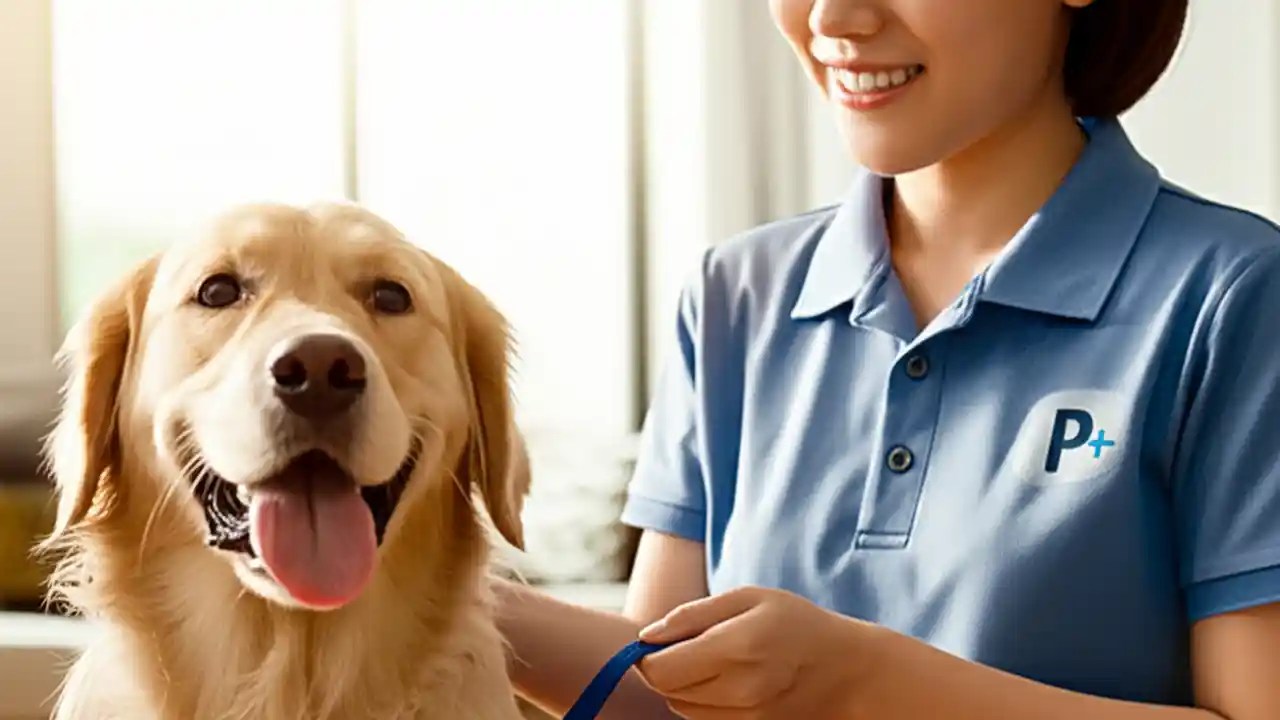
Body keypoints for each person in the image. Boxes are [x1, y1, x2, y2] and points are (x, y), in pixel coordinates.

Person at [495, 1, 1280, 717]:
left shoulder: (1232, 296)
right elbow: (665, 694)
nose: (835, 17)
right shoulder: (737, 293)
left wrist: (862, 679)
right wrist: (450, 600)